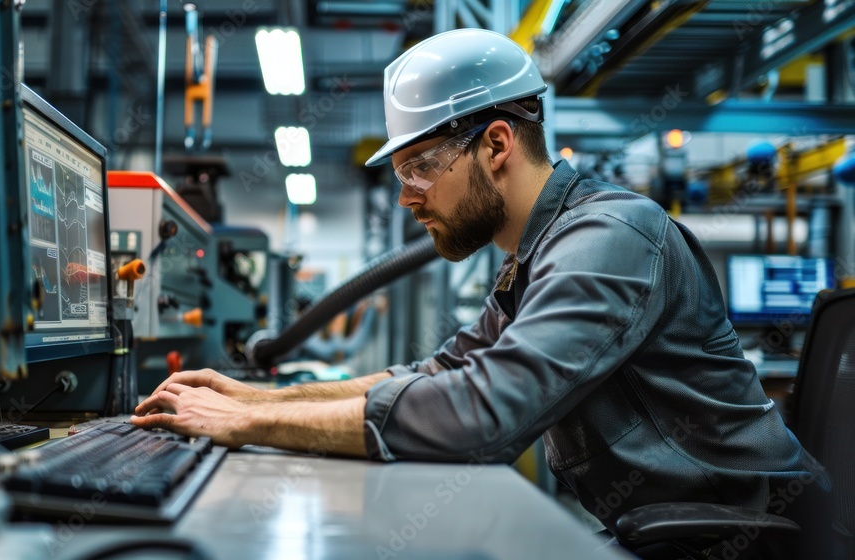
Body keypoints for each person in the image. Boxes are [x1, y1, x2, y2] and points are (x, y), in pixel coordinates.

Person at [132, 29, 828, 558]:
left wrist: (249, 427)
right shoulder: (539, 256)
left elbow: (481, 416)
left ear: (496, 144)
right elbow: (440, 376)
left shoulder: (610, 238)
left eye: (419, 169)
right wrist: (252, 399)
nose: (408, 198)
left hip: (748, 542)